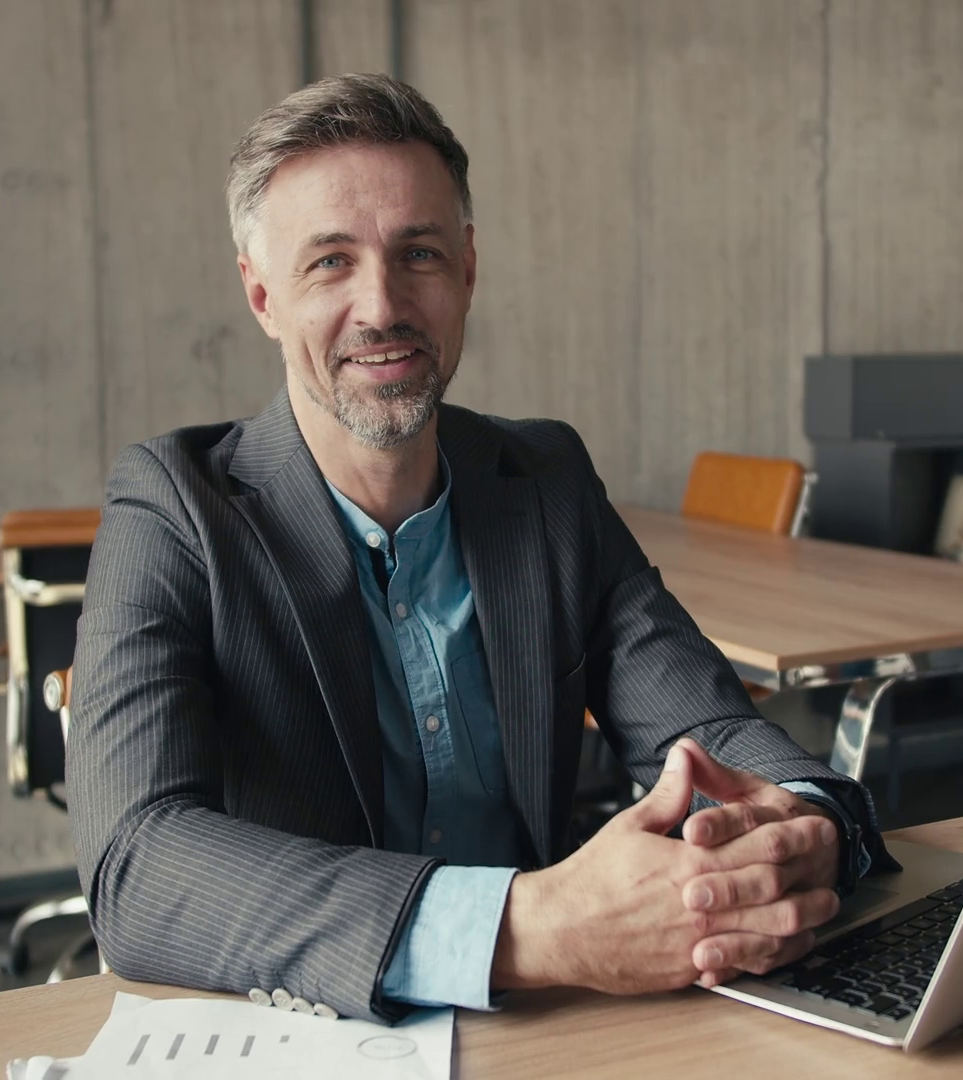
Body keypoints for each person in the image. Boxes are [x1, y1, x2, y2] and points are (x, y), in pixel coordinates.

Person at [68, 73, 894, 1024]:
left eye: (416, 253)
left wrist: (804, 824)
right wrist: (528, 925)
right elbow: (137, 865)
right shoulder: (171, 505)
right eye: (329, 263)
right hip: (329, 1025)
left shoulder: (542, 474)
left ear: (467, 268)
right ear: (261, 293)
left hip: (563, 1023)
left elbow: (702, 728)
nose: (383, 305)